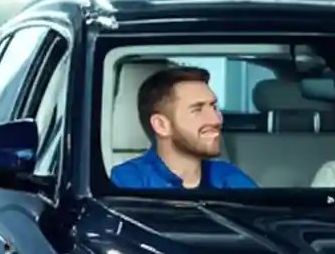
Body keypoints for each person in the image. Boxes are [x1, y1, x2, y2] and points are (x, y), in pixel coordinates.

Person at [110, 65, 257, 189]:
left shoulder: (230, 177)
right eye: (197, 110)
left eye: (213, 107)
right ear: (161, 125)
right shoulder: (128, 182)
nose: (216, 120)